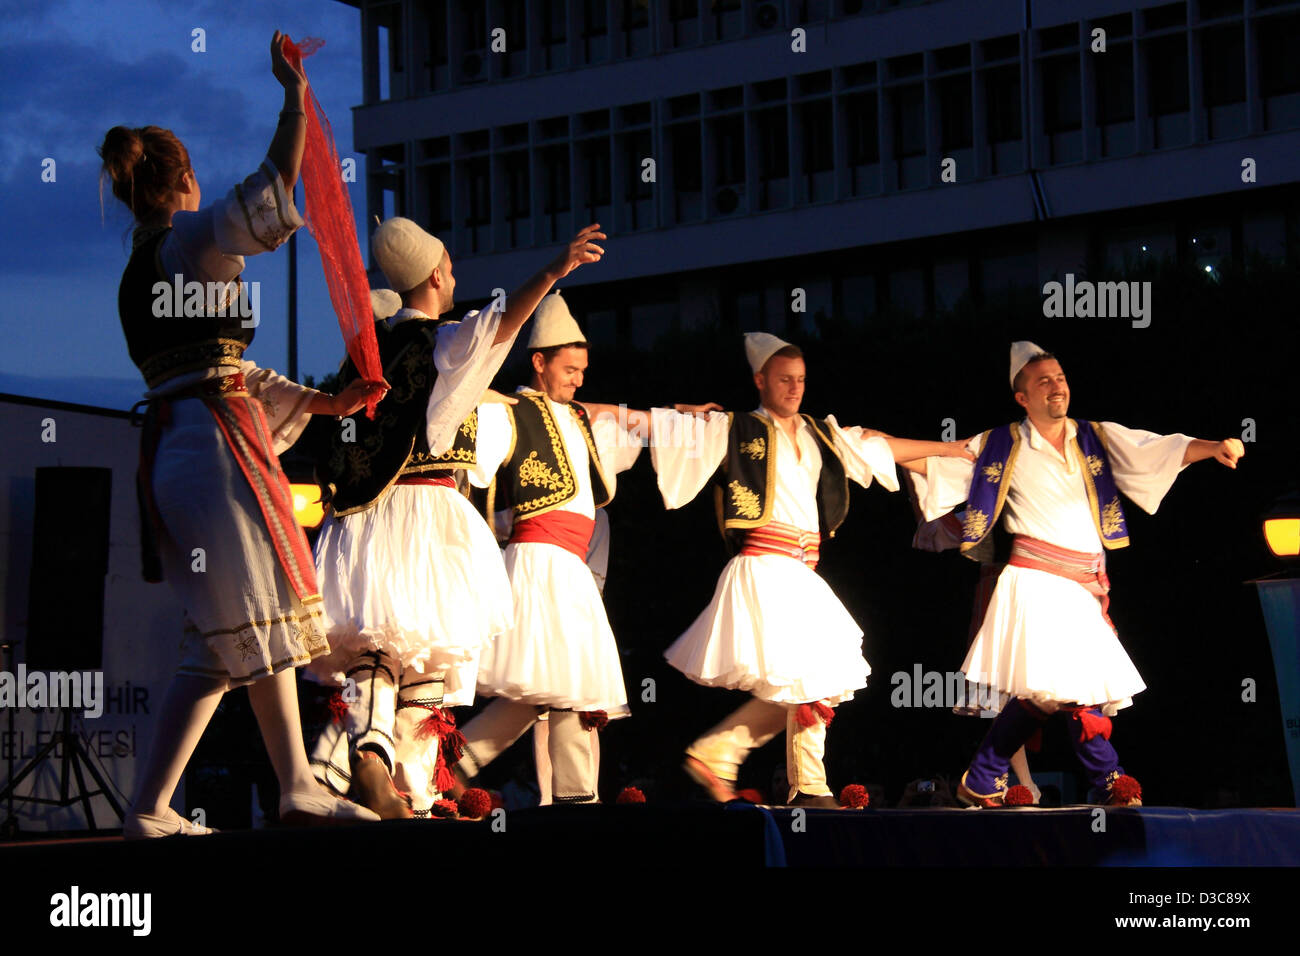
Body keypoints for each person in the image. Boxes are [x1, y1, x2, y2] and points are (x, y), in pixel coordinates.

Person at [100, 31, 387, 838]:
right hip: (213, 452)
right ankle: (294, 783)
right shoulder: (185, 243)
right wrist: (292, 97)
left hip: (186, 446)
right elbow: (274, 188)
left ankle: (152, 806)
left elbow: (228, 371)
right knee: (259, 616)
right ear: (182, 182)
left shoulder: (139, 270)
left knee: (222, 638)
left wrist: (327, 406)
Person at [306, 222, 606, 818]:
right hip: (420, 509)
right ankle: (369, 762)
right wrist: (552, 271)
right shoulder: (438, 341)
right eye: (451, 266)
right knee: (407, 649)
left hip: (370, 514)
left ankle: (407, 787)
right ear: (439, 273)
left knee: (407, 649)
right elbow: (500, 323)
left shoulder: (369, 351)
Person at [909, 341, 1244, 807]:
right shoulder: (1000, 443)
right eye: (1043, 381)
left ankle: (983, 776)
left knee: (1051, 692)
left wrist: (1212, 448)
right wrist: (878, 451)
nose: (1056, 386)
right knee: (1069, 686)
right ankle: (1108, 778)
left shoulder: (1095, 437)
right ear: (1022, 397)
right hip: (1034, 579)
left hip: (1083, 585)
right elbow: (939, 466)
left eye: (1060, 377)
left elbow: (1154, 451)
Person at [648, 333, 973, 807]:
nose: (794, 388)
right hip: (762, 562)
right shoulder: (734, 428)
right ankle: (808, 787)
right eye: (784, 379)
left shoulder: (822, 433)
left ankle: (720, 751)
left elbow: (877, 445)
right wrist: (679, 412)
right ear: (760, 381)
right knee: (814, 673)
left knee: (809, 678)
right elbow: (661, 430)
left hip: (801, 570)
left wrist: (947, 449)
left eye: (800, 380)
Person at [453, 293, 712, 804]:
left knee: (554, 686)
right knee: (558, 683)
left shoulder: (580, 421)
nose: (578, 378)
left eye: (583, 369)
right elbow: (462, 421)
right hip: (535, 562)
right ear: (538, 362)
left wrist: (683, 416)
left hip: (569, 569)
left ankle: (468, 765)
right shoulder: (510, 413)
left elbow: (634, 419)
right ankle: (567, 795)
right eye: (569, 368)